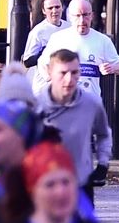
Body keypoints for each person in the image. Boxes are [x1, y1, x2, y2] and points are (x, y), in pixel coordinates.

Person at [34, 49, 113, 192]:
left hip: (80, 183)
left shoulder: (91, 103)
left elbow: (104, 133)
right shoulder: (35, 106)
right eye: (63, 73)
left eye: (75, 72)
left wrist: (103, 163)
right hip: (44, 184)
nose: (69, 79)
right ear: (50, 72)